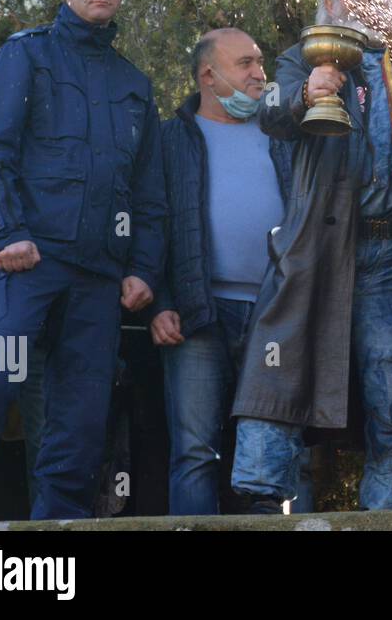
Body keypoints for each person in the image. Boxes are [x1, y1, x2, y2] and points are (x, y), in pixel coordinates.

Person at [0, 0, 166, 523]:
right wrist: (5, 236)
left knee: (82, 409)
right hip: (26, 262)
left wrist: (142, 268)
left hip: (99, 276)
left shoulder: (135, 86)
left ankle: (59, 522)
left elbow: (150, 195)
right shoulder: (25, 55)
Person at [231, 0, 392, 512]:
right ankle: (264, 512)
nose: (364, 0)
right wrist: (310, 90)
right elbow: (269, 112)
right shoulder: (300, 59)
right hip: (318, 246)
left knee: (391, 390)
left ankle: (391, 517)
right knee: (282, 375)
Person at [151, 28, 291, 514]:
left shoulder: (281, 136)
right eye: (246, 64)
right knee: (195, 452)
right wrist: (163, 302)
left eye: (260, 62)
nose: (260, 74)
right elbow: (154, 228)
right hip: (196, 312)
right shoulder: (170, 139)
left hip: (275, 314)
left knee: (272, 456)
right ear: (209, 75)